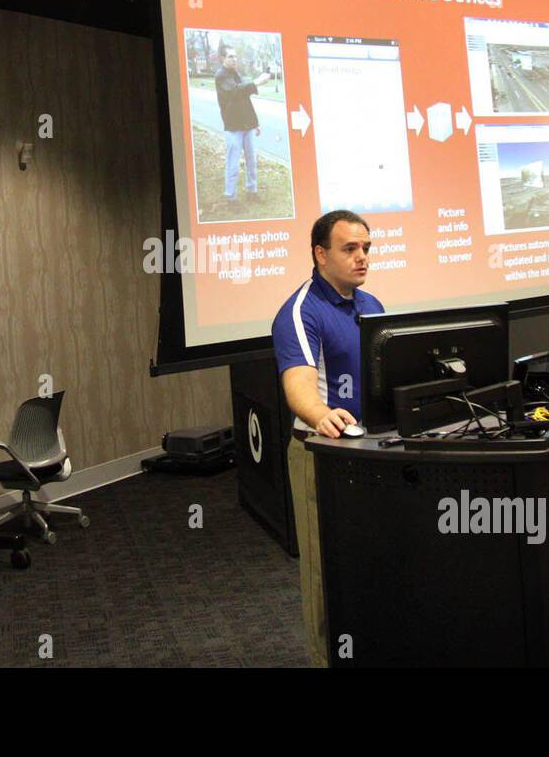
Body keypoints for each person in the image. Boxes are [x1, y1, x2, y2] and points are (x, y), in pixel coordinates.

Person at [270, 210, 384, 667]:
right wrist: (323, 416)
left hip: (374, 452)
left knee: (375, 559)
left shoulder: (371, 304)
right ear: (321, 254)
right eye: (350, 249)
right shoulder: (300, 312)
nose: (362, 258)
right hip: (320, 455)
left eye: (367, 248)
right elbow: (298, 389)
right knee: (324, 571)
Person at [214, 46, 270, 200]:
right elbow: (235, 92)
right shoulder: (221, 76)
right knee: (233, 164)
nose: (234, 59)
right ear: (222, 59)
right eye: (231, 56)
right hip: (234, 128)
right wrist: (257, 82)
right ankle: (231, 197)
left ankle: (252, 191)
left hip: (247, 127)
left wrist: (255, 123)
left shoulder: (235, 74)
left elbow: (245, 100)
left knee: (251, 161)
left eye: (235, 56)